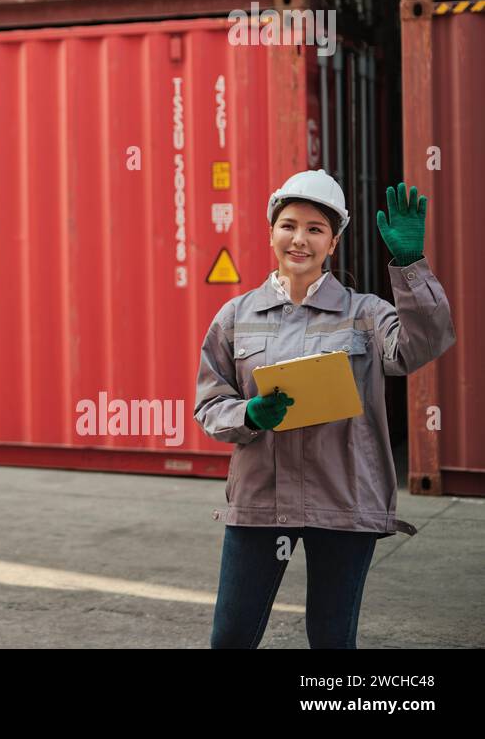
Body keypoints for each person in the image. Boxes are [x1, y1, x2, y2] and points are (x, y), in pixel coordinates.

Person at [194, 169, 455, 649]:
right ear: (271, 231)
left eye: (315, 229)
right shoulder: (235, 316)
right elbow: (210, 403)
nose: (300, 239)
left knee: (332, 640)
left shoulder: (367, 313)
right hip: (261, 503)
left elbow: (422, 345)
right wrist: (248, 414)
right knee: (230, 638)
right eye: (289, 225)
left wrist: (411, 265)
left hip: (342, 500)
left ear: (333, 243)